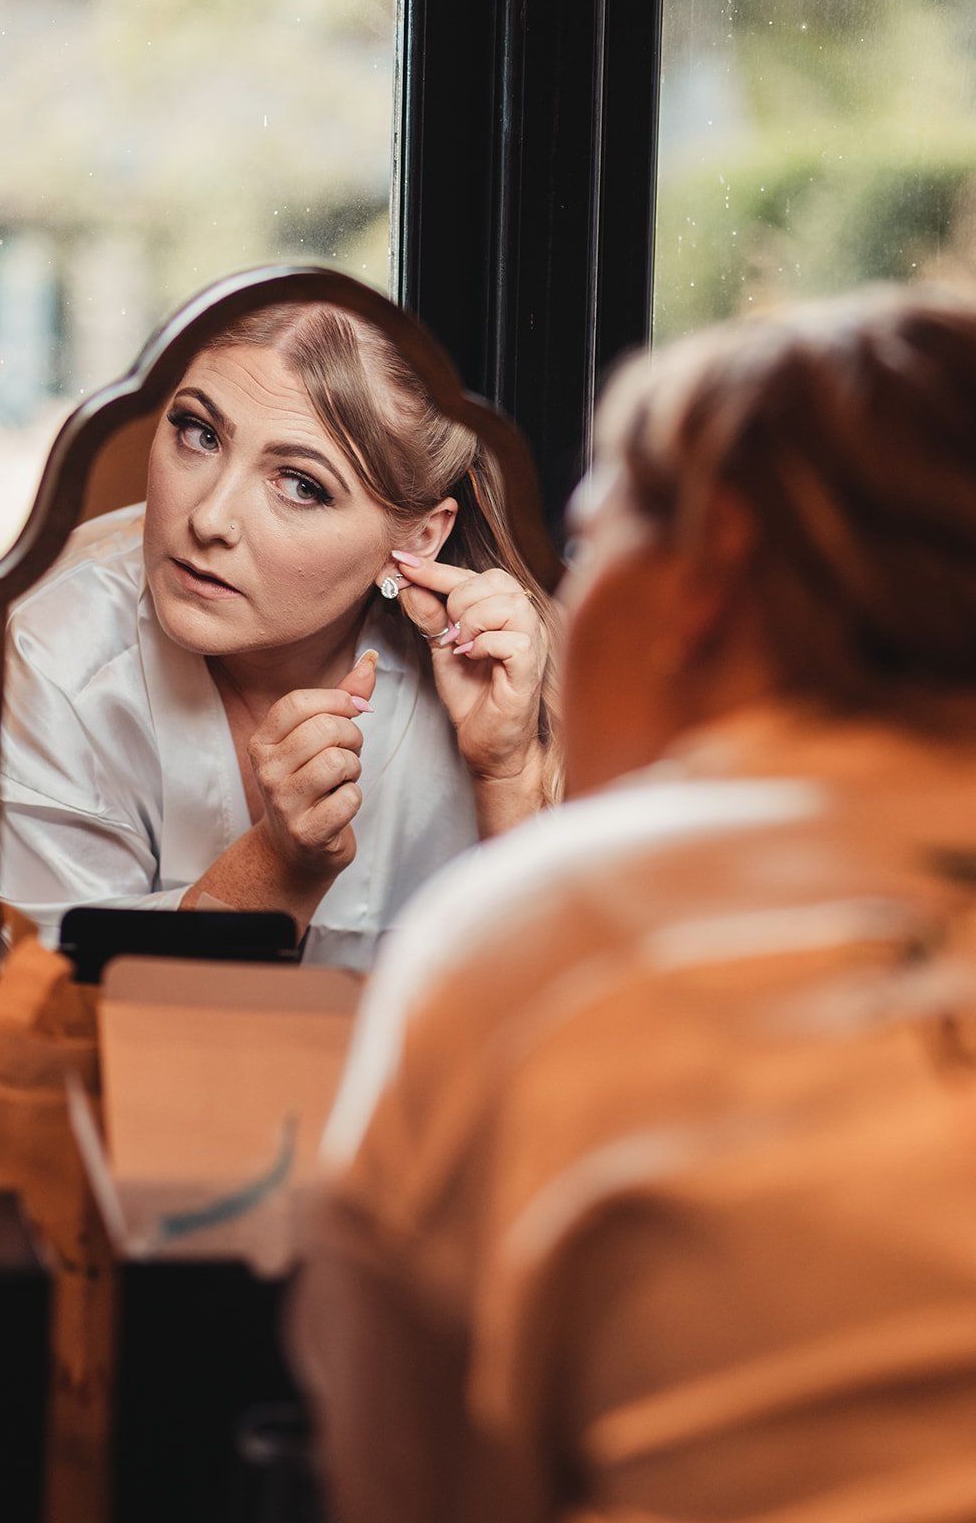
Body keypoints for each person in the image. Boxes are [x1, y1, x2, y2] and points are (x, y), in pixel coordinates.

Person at [293, 287, 976, 1521]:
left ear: (713, 566)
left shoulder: (533, 945)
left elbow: (406, 1488)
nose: (568, 590)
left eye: (593, 539)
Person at [0, 302, 555, 968]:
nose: (209, 519)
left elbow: (562, 1021)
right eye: (199, 434)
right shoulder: (65, 635)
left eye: (300, 484)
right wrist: (277, 865)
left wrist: (506, 773)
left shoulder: (493, 671)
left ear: (418, 538)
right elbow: (42, 995)